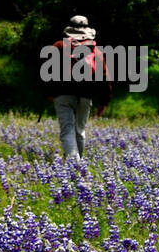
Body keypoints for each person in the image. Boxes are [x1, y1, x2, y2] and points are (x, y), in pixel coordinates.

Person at [45, 15, 110, 162]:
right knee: (79, 131)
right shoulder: (95, 50)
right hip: (86, 96)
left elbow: (47, 72)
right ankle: (79, 167)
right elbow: (105, 77)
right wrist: (104, 101)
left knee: (67, 130)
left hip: (63, 95)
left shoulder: (59, 46)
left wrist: (49, 92)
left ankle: (75, 164)